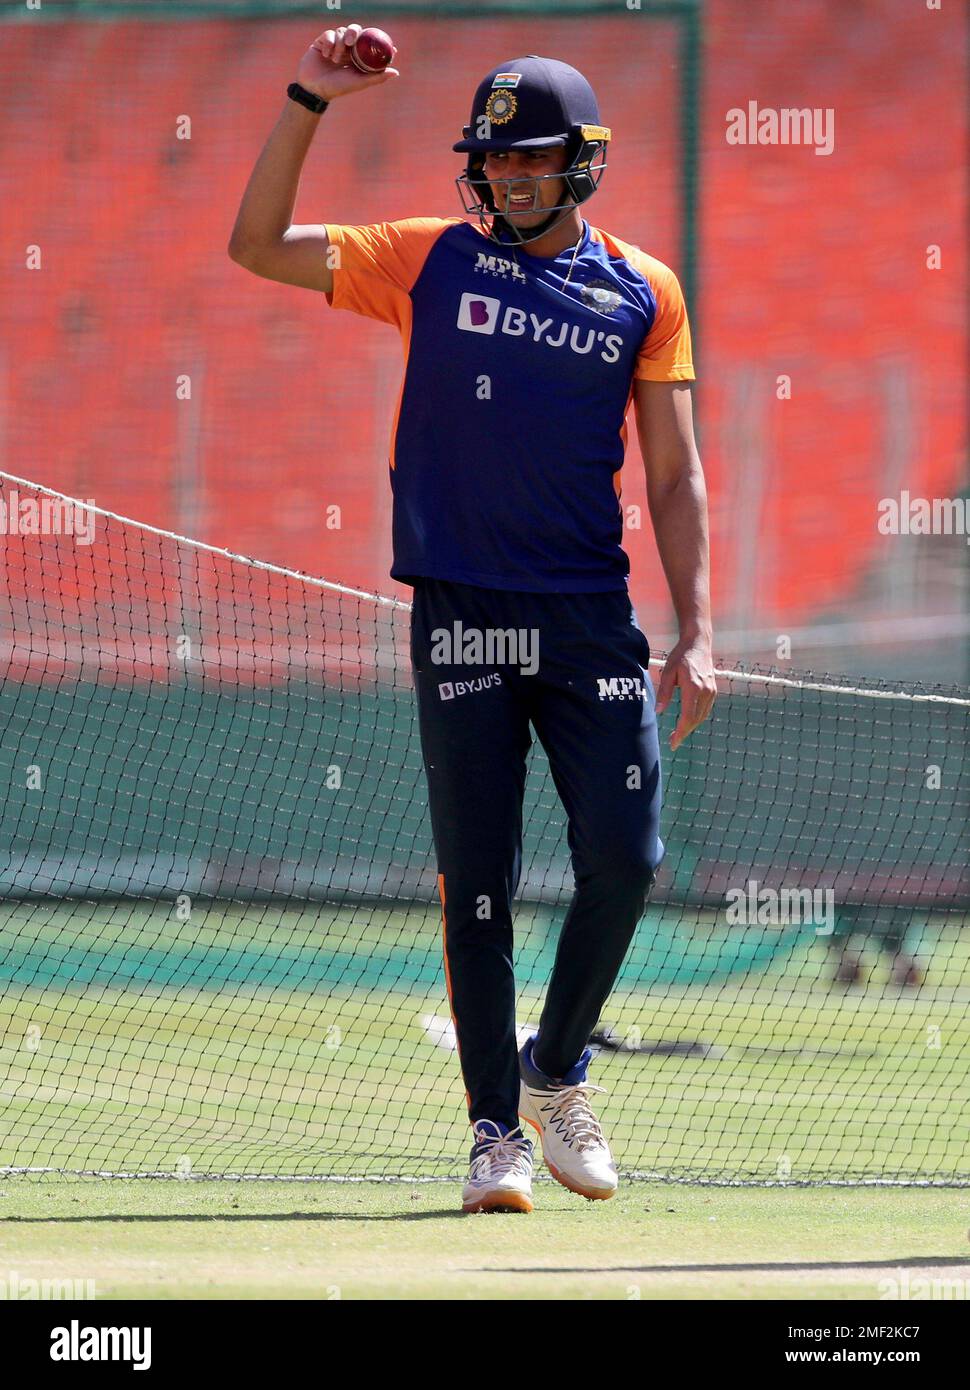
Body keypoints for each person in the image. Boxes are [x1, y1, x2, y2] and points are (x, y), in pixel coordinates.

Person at [229, 23, 717, 1213]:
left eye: (531, 160)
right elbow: (252, 246)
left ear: (580, 165)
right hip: (458, 612)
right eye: (492, 161)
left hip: (589, 619)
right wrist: (308, 98)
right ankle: (494, 1133)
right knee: (479, 878)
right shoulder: (426, 257)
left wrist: (698, 626)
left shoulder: (643, 289)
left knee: (627, 853)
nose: (505, 178)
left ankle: (557, 1072)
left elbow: (673, 475)